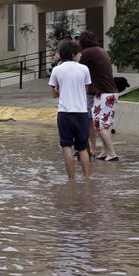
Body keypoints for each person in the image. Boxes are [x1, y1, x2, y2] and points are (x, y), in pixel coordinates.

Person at [48, 38, 92, 179]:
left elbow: (54, 94)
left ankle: (71, 180)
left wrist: (60, 90)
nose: (81, 55)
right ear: (73, 54)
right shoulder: (84, 69)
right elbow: (86, 89)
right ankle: (87, 179)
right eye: (79, 53)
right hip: (81, 113)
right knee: (83, 148)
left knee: (66, 146)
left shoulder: (57, 70)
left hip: (64, 113)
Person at [77, 30, 120, 162]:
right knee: (106, 124)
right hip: (111, 93)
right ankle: (105, 152)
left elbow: (75, 64)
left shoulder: (88, 52)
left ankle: (112, 153)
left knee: (99, 125)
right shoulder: (101, 50)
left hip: (103, 94)